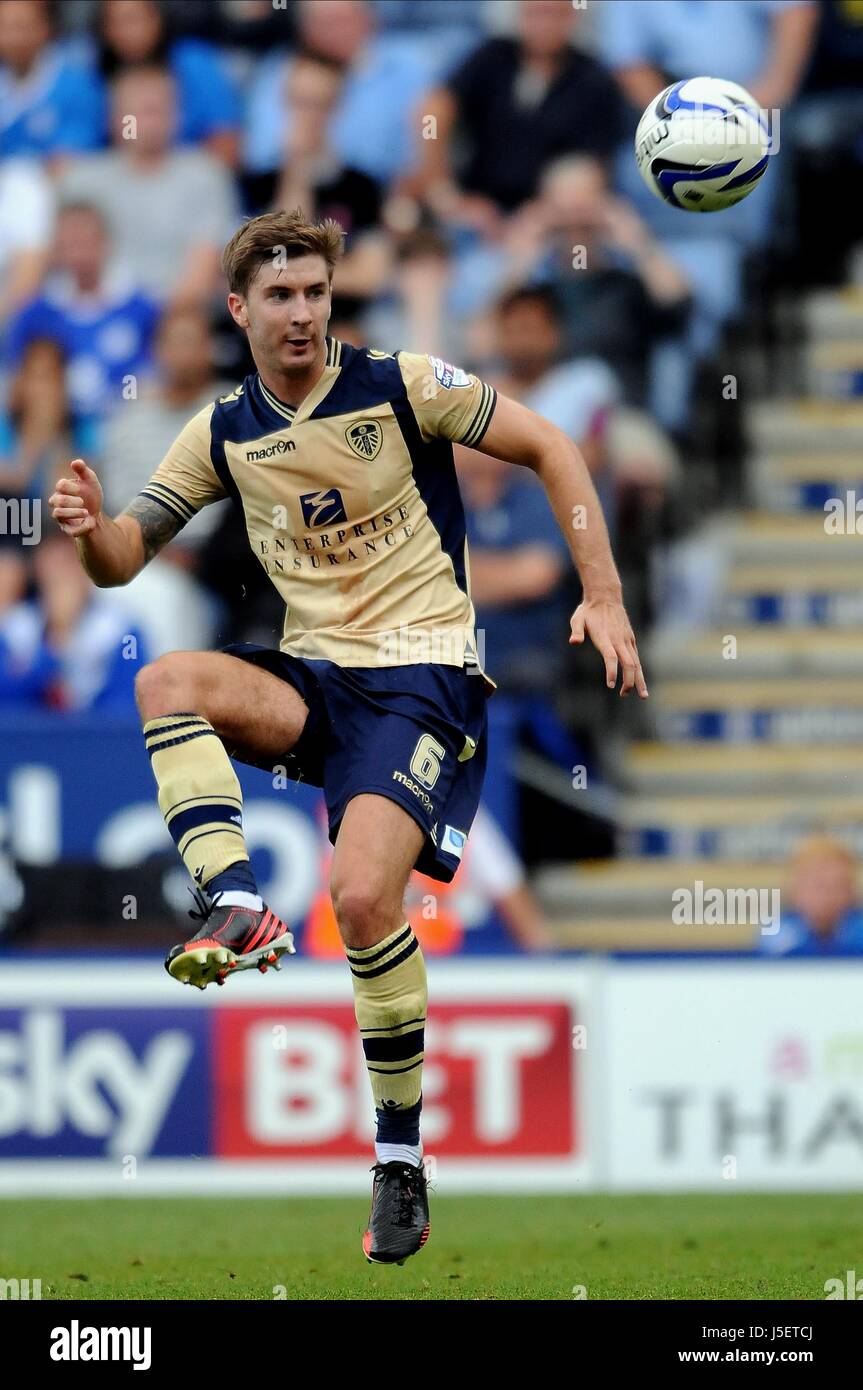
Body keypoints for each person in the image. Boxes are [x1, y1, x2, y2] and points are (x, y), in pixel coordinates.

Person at [49, 208, 646, 1267]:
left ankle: (400, 1161)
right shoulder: (222, 427)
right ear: (238, 310)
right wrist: (90, 525)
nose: (300, 314)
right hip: (318, 678)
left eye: (315, 294)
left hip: (422, 678)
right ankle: (234, 902)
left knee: (362, 897)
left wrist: (599, 591)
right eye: (278, 296)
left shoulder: (402, 384)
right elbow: (124, 558)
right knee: (168, 678)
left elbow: (550, 444)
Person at [757, 836, 863, 956]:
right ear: (794, 889)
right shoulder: (776, 931)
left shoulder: (859, 928)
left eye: (837, 885)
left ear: (851, 891)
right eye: (818, 885)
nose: (826, 896)